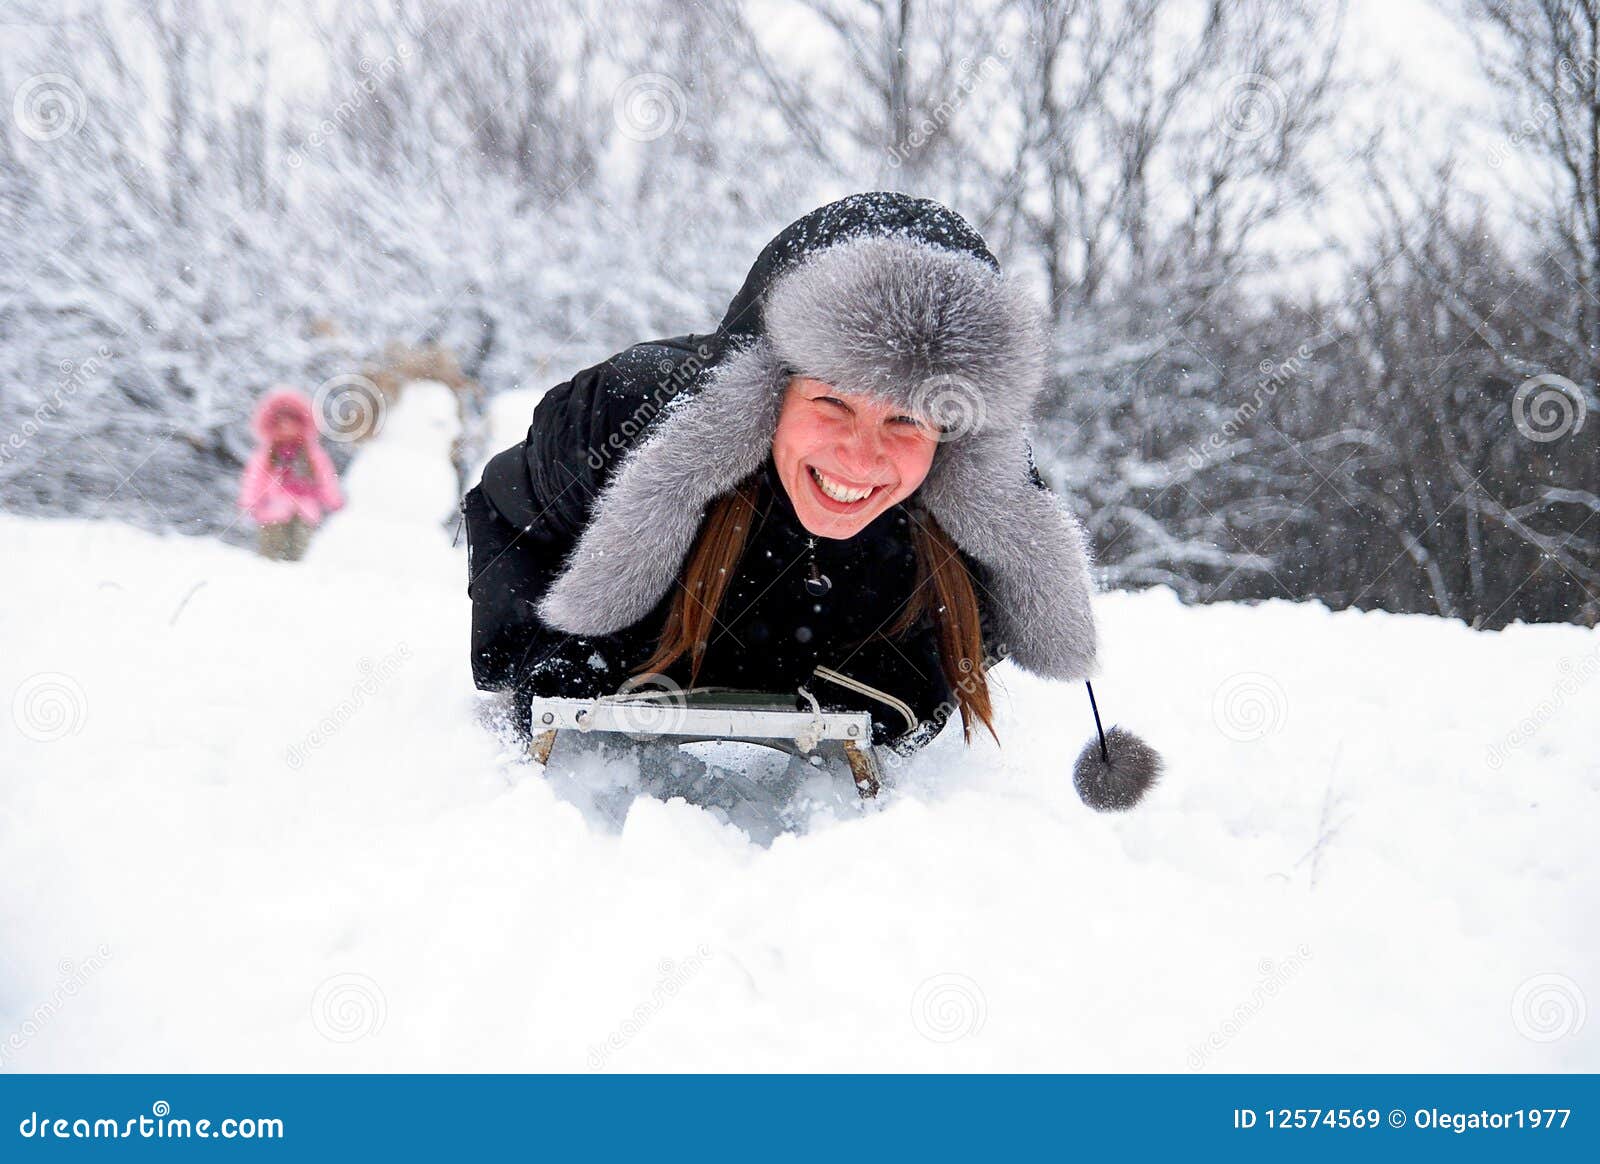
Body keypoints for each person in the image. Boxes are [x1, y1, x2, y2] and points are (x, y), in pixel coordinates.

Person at [463, 192, 1160, 809]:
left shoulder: (982, 530)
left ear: (950, 438)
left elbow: (956, 665)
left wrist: (886, 700)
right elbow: (508, 518)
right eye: (833, 401)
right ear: (769, 389)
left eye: (906, 420)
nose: (861, 455)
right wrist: (549, 664)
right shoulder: (626, 424)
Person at [238, 386, 345, 561]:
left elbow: (326, 478)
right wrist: (248, 505)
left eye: (291, 423)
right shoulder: (265, 455)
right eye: (281, 424)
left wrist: (334, 502)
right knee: (270, 558)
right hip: (272, 513)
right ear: (272, 426)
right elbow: (253, 481)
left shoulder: (312, 454)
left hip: (304, 513)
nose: (286, 428)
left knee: (297, 557)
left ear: (301, 425)